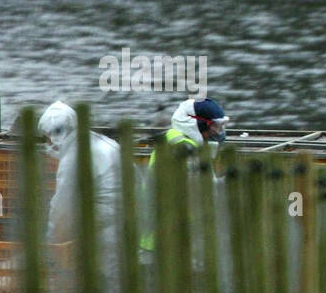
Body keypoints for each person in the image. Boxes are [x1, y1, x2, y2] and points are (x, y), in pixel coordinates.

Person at [37, 100, 122, 275]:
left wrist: (50, 245)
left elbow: (62, 209)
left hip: (104, 229)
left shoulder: (73, 158)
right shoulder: (103, 142)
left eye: (46, 137)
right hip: (127, 223)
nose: (47, 143)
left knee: (105, 284)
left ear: (54, 135)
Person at [140, 97, 229, 253]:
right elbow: (204, 192)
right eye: (214, 127)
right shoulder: (184, 149)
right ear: (195, 124)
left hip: (165, 241)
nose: (217, 133)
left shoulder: (177, 141)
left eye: (220, 128)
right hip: (165, 246)